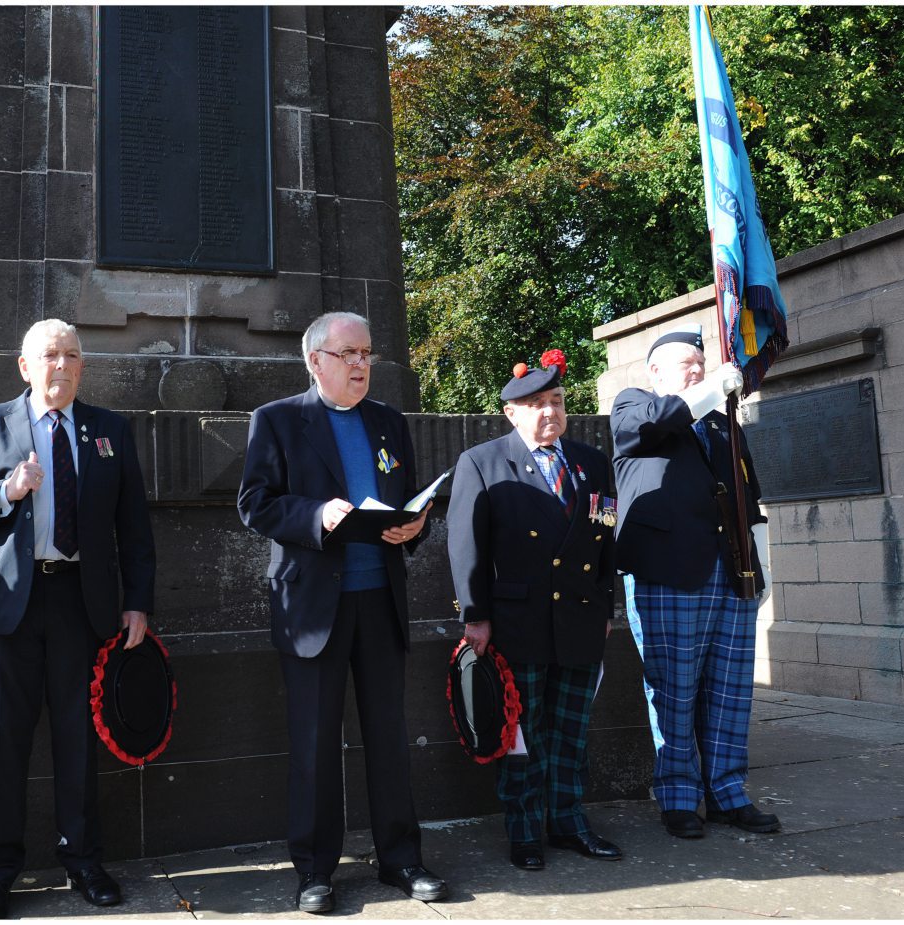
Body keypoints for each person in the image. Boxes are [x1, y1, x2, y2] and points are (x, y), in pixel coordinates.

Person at [0, 319, 155, 919]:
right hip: (11, 606)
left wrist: (138, 601)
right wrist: (4, 491)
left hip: (85, 603)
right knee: (6, 739)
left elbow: (134, 527)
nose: (61, 365)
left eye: (71, 356)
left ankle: (83, 861)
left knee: (79, 737)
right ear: (25, 367)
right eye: (49, 356)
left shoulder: (110, 430)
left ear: (82, 367)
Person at [237, 311, 449, 914]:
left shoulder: (387, 421)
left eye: (367, 354)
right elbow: (254, 505)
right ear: (315, 361)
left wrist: (414, 526)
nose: (361, 365)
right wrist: (315, 516)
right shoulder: (278, 420)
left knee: (389, 737)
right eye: (349, 354)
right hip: (311, 607)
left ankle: (402, 859)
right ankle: (314, 872)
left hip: (380, 602)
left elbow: (406, 504)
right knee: (314, 743)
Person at [447, 350, 622, 871]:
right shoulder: (483, 461)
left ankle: (569, 823)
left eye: (557, 401)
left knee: (572, 731)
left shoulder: (592, 461)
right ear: (512, 413)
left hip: (581, 619)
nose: (549, 412)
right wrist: (474, 615)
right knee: (522, 734)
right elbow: (466, 544)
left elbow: (605, 536)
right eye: (536, 404)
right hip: (518, 623)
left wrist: (607, 603)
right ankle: (524, 832)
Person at [611, 324, 779, 840]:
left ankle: (727, 791)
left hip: (731, 571)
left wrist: (762, 558)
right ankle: (680, 797)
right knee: (675, 690)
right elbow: (659, 422)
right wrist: (707, 392)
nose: (697, 370)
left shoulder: (722, 421)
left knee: (730, 691)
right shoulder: (634, 404)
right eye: (686, 363)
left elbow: (748, 495)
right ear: (655, 369)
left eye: (700, 364)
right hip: (669, 571)